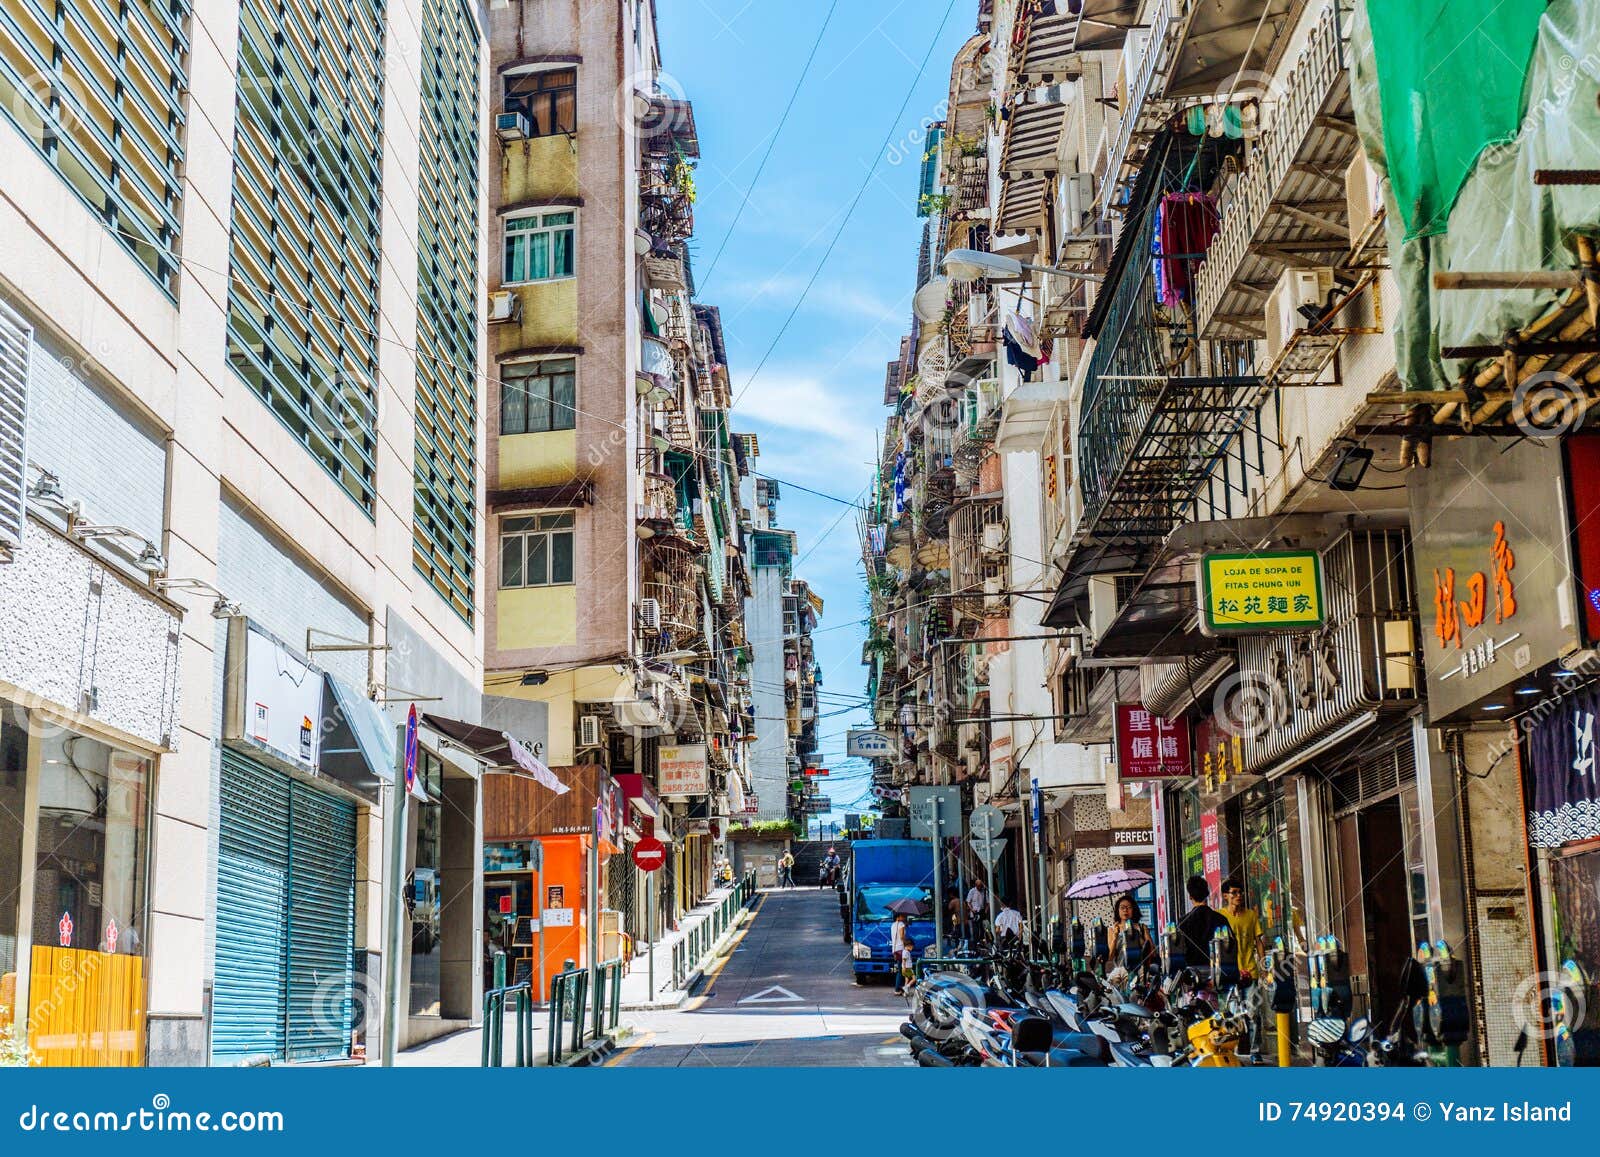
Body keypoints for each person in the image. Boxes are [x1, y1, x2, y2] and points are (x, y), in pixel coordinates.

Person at [1221, 878, 1265, 1062]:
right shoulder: (1220, 916)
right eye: (1234, 893)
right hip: (1230, 974)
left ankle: (1255, 1051)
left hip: (1251, 971)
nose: (1238, 896)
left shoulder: (1251, 916)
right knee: (1230, 1014)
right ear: (1225, 896)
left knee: (1253, 1013)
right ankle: (1232, 1051)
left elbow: (1259, 942)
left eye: (1240, 892)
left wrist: (1263, 966)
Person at [1175, 875, 1230, 974]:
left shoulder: (1183, 922)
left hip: (1192, 974)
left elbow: (1179, 951)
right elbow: (1230, 947)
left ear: (1190, 897)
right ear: (1207, 894)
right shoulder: (1221, 919)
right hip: (1219, 974)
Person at [1108, 892, 1154, 972]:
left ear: (1134, 910)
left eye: (1129, 907)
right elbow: (1110, 957)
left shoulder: (1142, 927)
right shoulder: (1112, 929)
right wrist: (1115, 937)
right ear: (1117, 910)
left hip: (1140, 970)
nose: (1125, 910)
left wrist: (1136, 935)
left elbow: (1151, 951)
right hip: (1120, 970)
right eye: (1122, 908)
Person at [890, 912, 911, 994]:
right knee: (902, 969)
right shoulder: (901, 924)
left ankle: (900, 987)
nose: (904, 917)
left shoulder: (893, 925)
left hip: (895, 949)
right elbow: (902, 937)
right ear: (898, 917)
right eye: (902, 916)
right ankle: (898, 989)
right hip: (901, 949)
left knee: (901, 968)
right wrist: (907, 943)